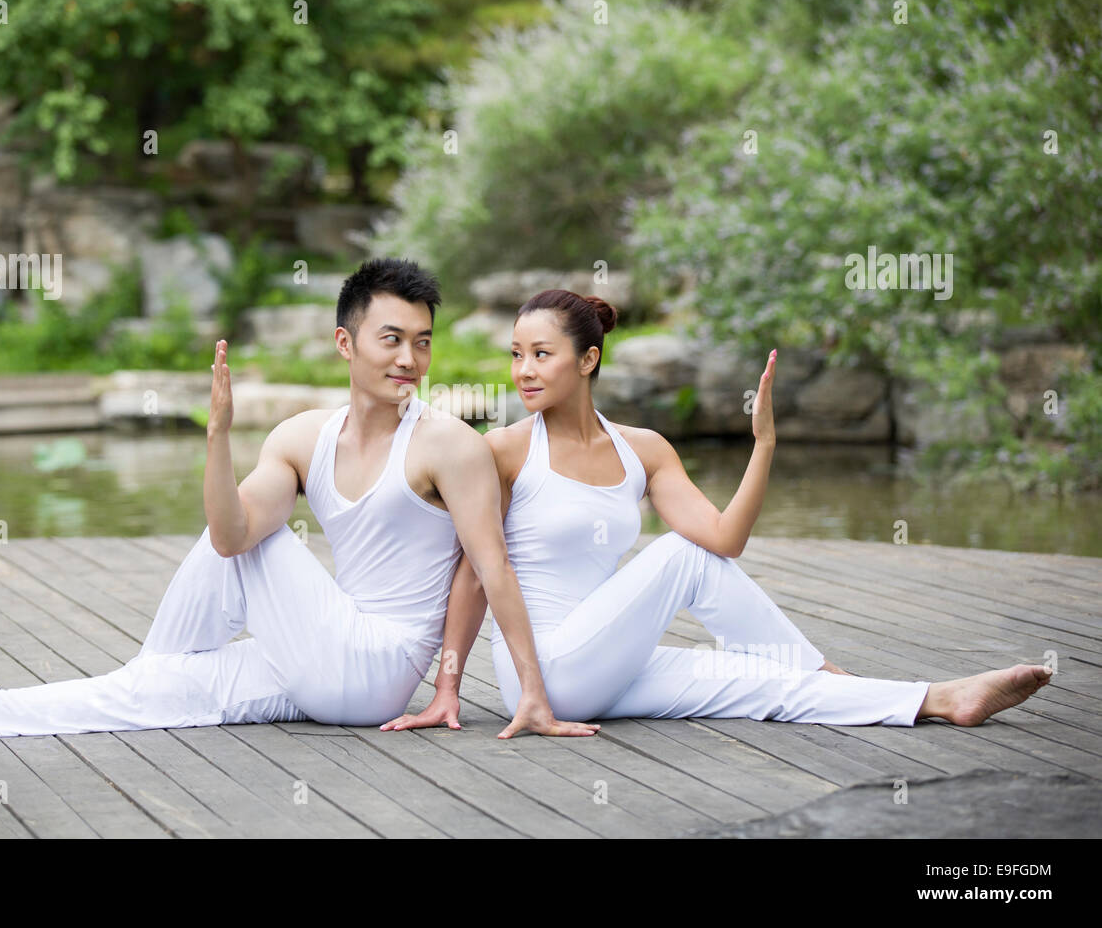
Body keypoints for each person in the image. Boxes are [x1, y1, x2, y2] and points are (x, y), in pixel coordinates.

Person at [0, 260, 600, 741]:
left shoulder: (449, 446)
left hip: (379, 667)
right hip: (322, 657)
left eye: (424, 342)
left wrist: (507, 692)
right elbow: (225, 533)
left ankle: (149, 665)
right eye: (391, 338)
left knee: (263, 544)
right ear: (346, 344)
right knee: (162, 690)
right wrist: (216, 437)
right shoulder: (304, 435)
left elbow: (488, 570)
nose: (410, 359)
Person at [383, 289, 1053, 732]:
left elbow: (725, 540)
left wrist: (763, 445)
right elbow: (474, 573)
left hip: (607, 661)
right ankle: (821, 666)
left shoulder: (642, 450)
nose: (522, 370)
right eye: (516, 355)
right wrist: (449, 689)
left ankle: (940, 699)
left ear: (587, 360)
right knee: (679, 553)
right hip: (542, 672)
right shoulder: (501, 452)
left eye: (540, 354)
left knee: (763, 682)